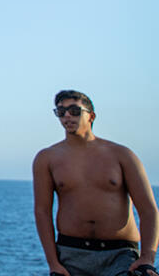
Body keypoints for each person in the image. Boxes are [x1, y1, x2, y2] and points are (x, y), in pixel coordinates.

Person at [32, 89, 158, 276]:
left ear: (91, 116)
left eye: (74, 110)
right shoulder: (47, 158)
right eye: (61, 112)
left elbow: (148, 210)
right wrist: (53, 263)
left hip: (121, 255)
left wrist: (147, 259)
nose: (67, 116)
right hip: (70, 255)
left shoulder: (121, 155)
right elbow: (42, 212)